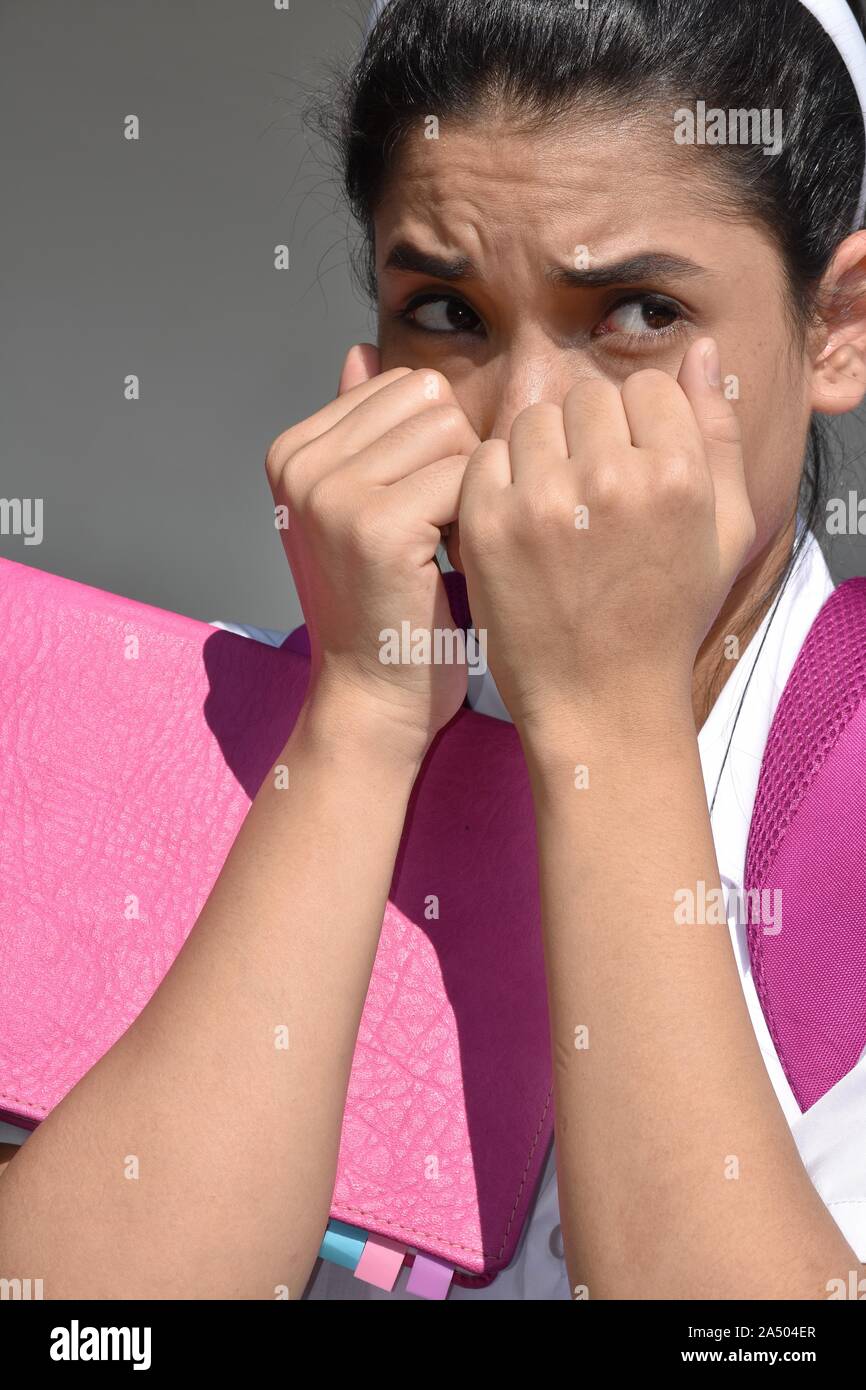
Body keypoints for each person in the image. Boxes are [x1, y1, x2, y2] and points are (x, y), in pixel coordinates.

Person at [1, 0, 866, 1300]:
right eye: (448, 312)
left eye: (635, 309)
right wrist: (354, 721)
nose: (522, 420)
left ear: (836, 324)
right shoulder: (228, 739)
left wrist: (609, 728)